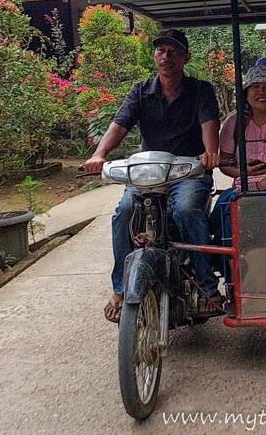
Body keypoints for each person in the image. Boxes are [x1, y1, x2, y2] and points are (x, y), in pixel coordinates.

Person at [84, 29, 223, 323]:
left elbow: (209, 124)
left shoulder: (200, 90)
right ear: (154, 56)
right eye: (160, 50)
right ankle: (120, 289)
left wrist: (211, 152)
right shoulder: (140, 91)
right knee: (123, 212)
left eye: (173, 50)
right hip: (148, 174)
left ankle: (208, 288)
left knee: (186, 210)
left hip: (189, 172)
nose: (166, 56)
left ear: (185, 56)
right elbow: (119, 125)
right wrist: (99, 155)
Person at [211, 66, 266, 274]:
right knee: (221, 214)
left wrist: (260, 186)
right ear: (246, 93)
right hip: (244, 183)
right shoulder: (234, 122)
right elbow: (225, 164)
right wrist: (245, 174)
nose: (261, 92)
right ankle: (231, 273)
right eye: (255, 87)